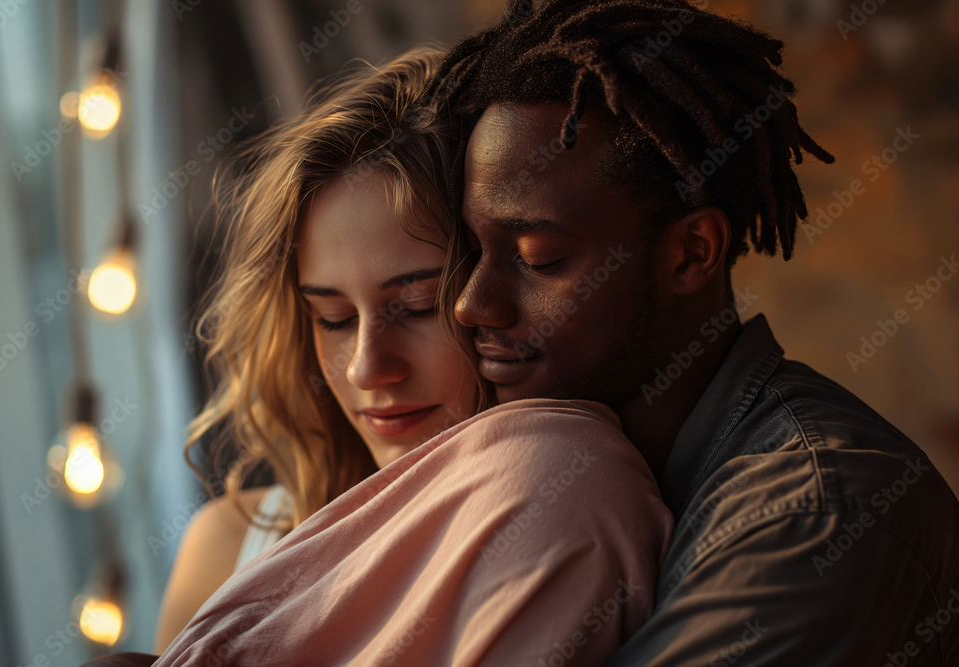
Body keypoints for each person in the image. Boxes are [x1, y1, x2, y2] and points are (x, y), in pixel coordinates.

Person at [418, 0, 959, 664]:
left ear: (691, 254)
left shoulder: (810, 513)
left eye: (538, 259)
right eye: (473, 251)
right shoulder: (585, 472)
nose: (474, 304)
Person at [144, 46, 673, 666]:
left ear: (501, 293)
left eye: (420, 306)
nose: (367, 368)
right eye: (333, 319)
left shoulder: (569, 497)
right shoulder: (224, 545)